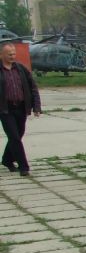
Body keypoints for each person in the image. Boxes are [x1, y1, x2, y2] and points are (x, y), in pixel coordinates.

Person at [0, 41, 42, 176]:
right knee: (14, 137)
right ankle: (24, 166)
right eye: (9, 54)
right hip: (5, 110)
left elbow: (33, 87)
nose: (12, 56)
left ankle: (6, 160)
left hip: (21, 108)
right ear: (1, 55)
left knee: (17, 136)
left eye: (14, 53)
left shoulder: (21, 68)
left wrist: (36, 106)